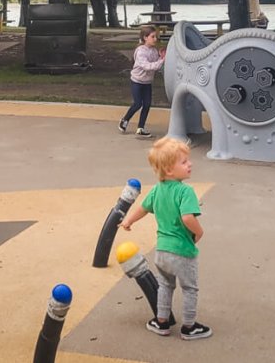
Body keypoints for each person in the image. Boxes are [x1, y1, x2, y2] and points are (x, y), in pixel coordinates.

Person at [119, 137, 211, 341]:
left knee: (165, 286)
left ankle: (161, 322)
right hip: (182, 251)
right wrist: (199, 232)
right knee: (189, 289)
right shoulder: (185, 191)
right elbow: (188, 217)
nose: (190, 164)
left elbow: (142, 208)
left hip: (162, 251)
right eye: (184, 161)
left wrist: (128, 222)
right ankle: (189, 327)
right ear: (169, 170)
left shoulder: (157, 190)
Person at [119, 24, 163, 138]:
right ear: (145, 37)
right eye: (152, 36)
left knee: (147, 104)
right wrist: (162, 60)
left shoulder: (153, 51)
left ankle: (140, 128)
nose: (155, 39)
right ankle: (125, 120)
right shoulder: (140, 52)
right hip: (137, 81)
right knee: (138, 103)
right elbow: (148, 66)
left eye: (156, 36)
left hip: (147, 82)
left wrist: (161, 57)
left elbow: (157, 63)